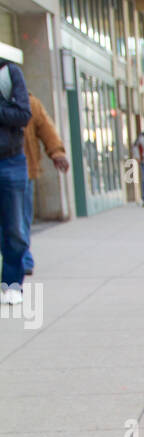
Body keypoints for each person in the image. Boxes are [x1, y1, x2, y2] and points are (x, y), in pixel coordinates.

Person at [21, 93, 70, 276]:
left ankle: (23, 259)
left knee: (20, 219)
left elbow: (46, 129)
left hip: (23, 171)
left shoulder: (29, 102)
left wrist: (57, 152)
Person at [0, 56, 32, 306]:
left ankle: (11, 284)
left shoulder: (8, 73)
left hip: (10, 161)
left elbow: (23, 114)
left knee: (15, 229)